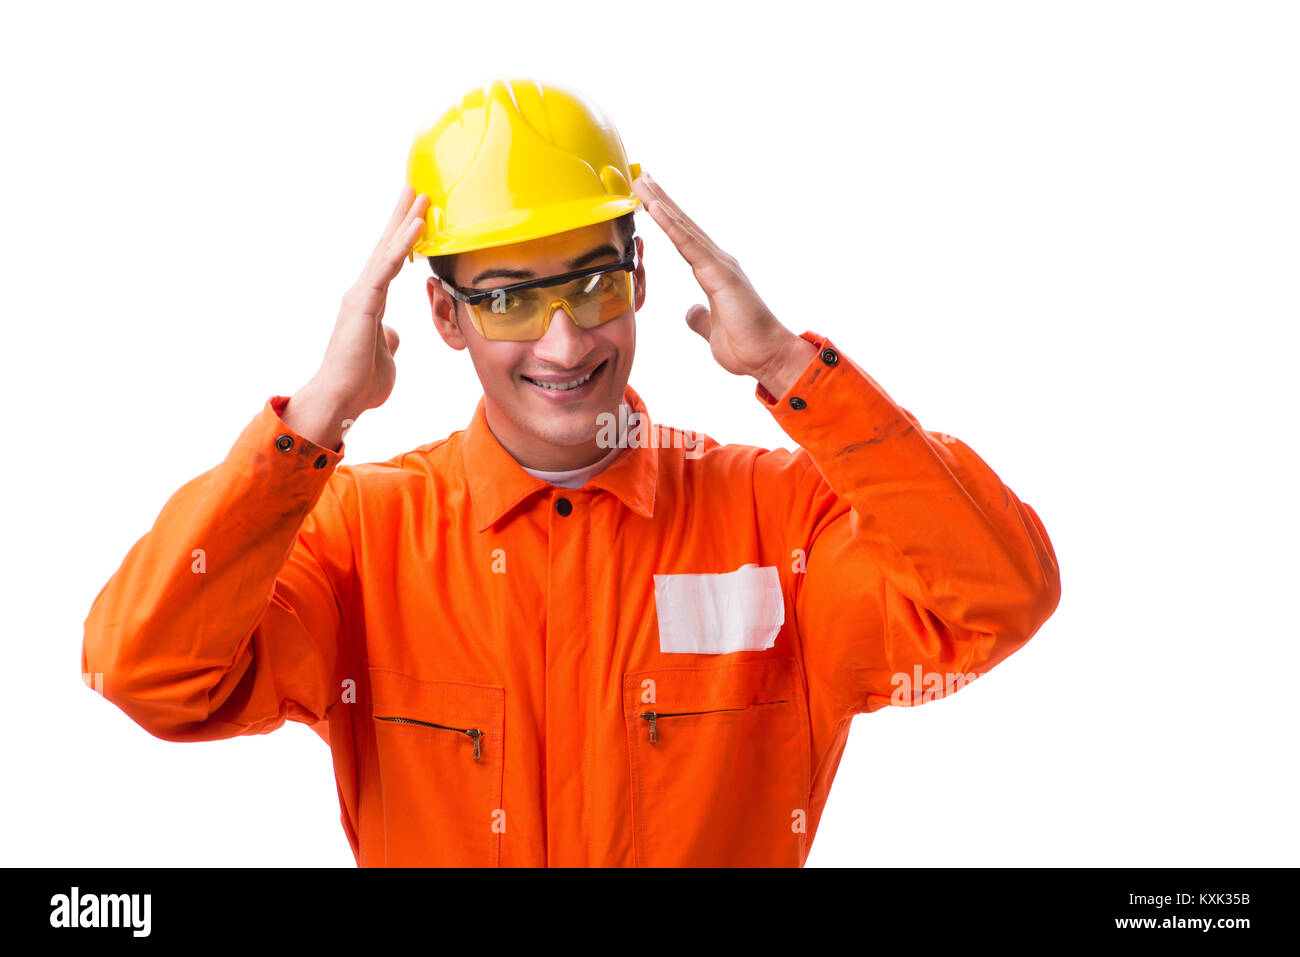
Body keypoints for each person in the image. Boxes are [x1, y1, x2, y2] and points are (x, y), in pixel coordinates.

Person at [82, 79, 1062, 867]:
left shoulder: (783, 522)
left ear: (640, 279)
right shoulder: (359, 538)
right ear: (445, 315)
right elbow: (148, 673)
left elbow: (999, 597)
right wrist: (313, 422)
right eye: (509, 299)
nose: (564, 342)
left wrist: (792, 372)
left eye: (593, 284)